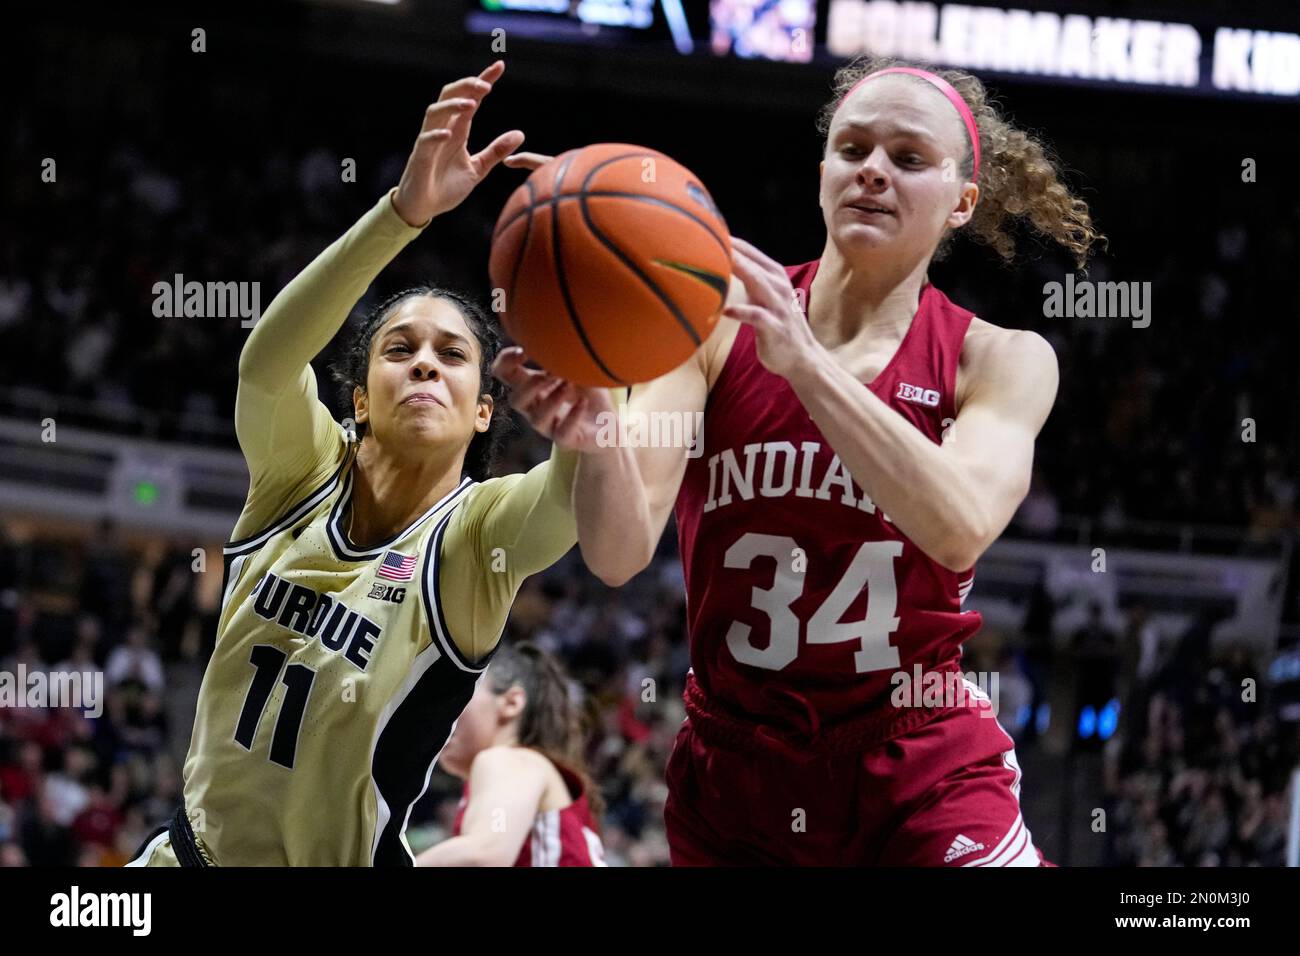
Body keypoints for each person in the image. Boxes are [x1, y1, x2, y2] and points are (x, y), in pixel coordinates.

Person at [510, 55, 1104, 864]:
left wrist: (805, 362)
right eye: (852, 148)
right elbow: (616, 553)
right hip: (737, 767)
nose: (873, 172)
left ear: (962, 202)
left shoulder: (998, 359)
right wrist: (593, 425)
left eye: (909, 158)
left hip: (916, 760)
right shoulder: (712, 330)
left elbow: (960, 526)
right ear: (822, 170)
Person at [128, 61, 605, 866]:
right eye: (399, 348)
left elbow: (573, 495)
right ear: (357, 397)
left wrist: (598, 318)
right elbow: (265, 365)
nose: (424, 363)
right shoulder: (302, 473)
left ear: (485, 408)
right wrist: (401, 215)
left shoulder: (472, 536)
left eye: (453, 354)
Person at [417, 642, 605, 866]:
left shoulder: (509, 760)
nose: (442, 710)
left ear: (512, 703)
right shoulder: (528, 771)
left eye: (459, 691)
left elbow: (483, 855)